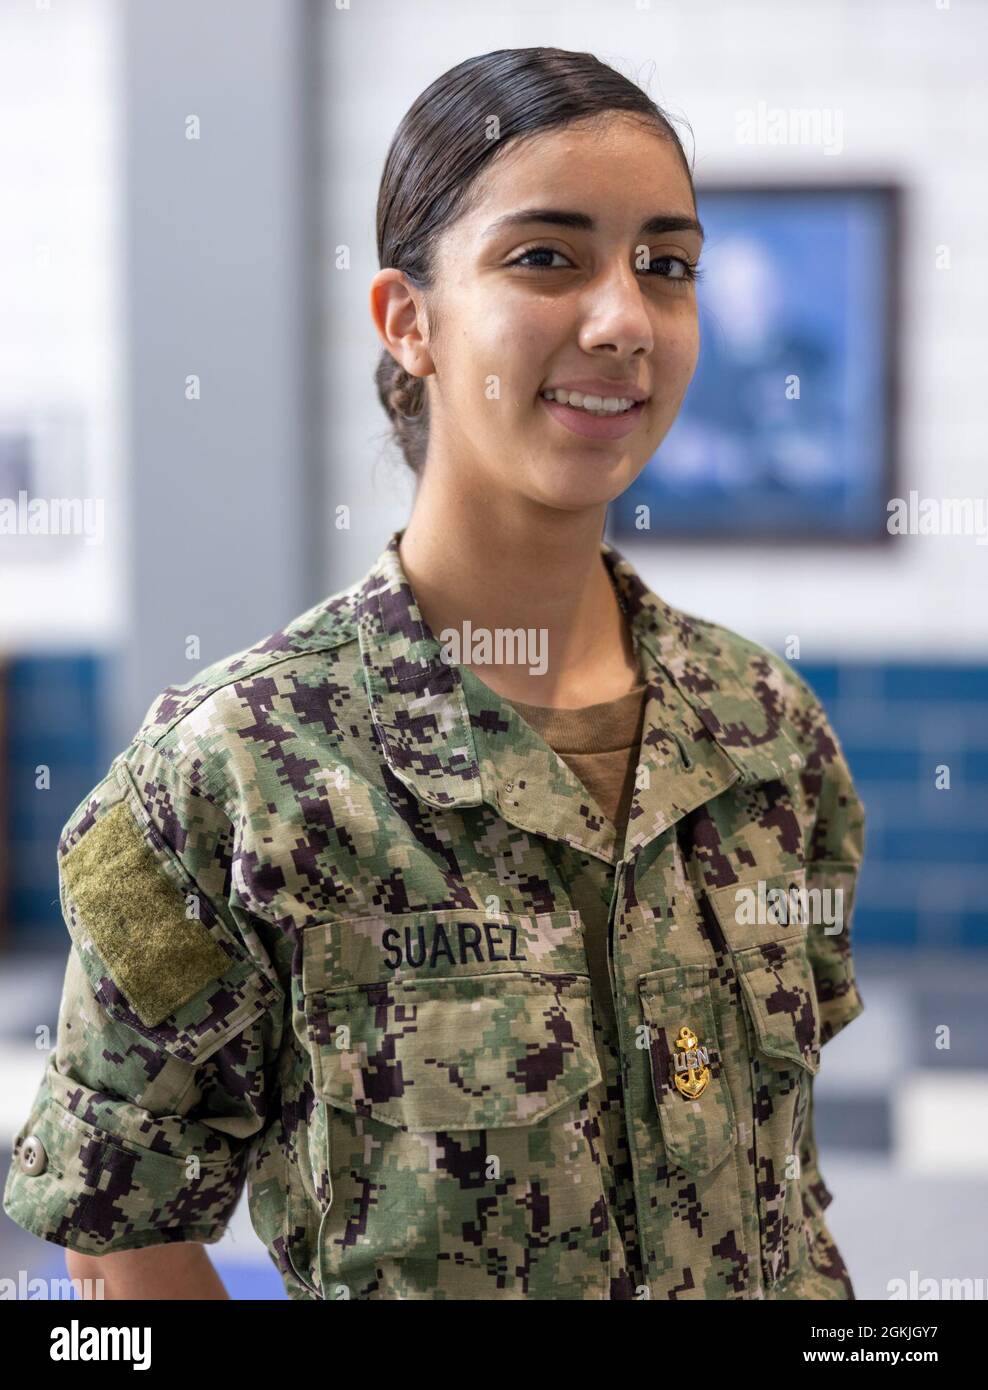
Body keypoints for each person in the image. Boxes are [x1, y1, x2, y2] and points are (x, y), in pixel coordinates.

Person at [3, 47, 865, 1301]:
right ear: (409, 319)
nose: (624, 317)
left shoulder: (767, 732)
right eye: (547, 257)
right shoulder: (240, 773)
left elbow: (785, 1185)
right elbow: (120, 1224)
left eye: (665, 265)